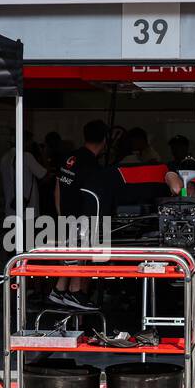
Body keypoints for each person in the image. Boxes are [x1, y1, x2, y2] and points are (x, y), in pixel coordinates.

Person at [51, 119, 110, 308]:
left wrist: (62, 215)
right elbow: (93, 199)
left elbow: (58, 187)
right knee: (80, 253)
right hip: (81, 218)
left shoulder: (69, 158)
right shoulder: (92, 166)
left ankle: (59, 289)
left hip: (64, 214)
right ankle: (74, 292)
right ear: (104, 140)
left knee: (69, 252)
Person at [0, 132, 47, 217]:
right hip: (28, 212)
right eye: (30, 142)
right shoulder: (27, 156)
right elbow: (44, 175)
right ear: (25, 142)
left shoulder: (4, 158)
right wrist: (42, 154)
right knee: (28, 230)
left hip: (10, 210)